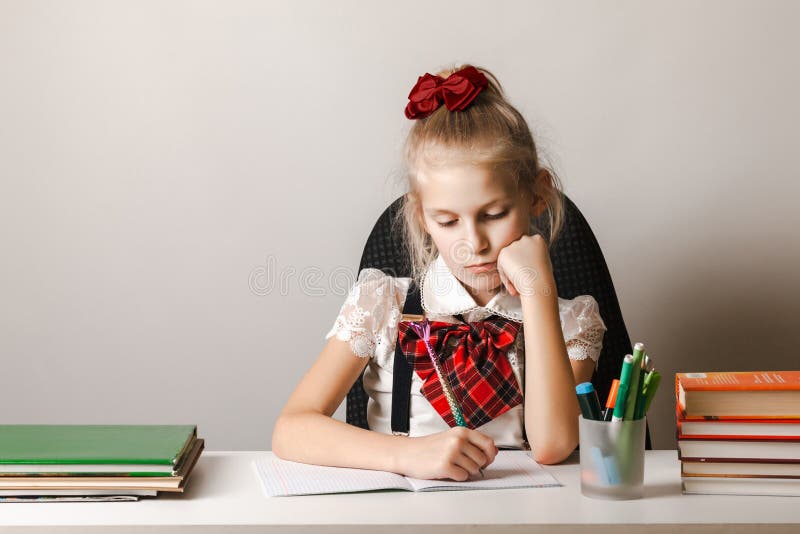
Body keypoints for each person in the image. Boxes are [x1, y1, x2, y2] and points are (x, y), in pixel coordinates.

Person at [272, 64, 607, 481]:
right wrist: (406, 455)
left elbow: (553, 444)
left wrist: (538, 291)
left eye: (495, 214)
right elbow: (291, 430)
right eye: (448, 221)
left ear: (537, 195)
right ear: (422, 216)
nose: (475, 242)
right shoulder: (382, 304)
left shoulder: (571, 321)